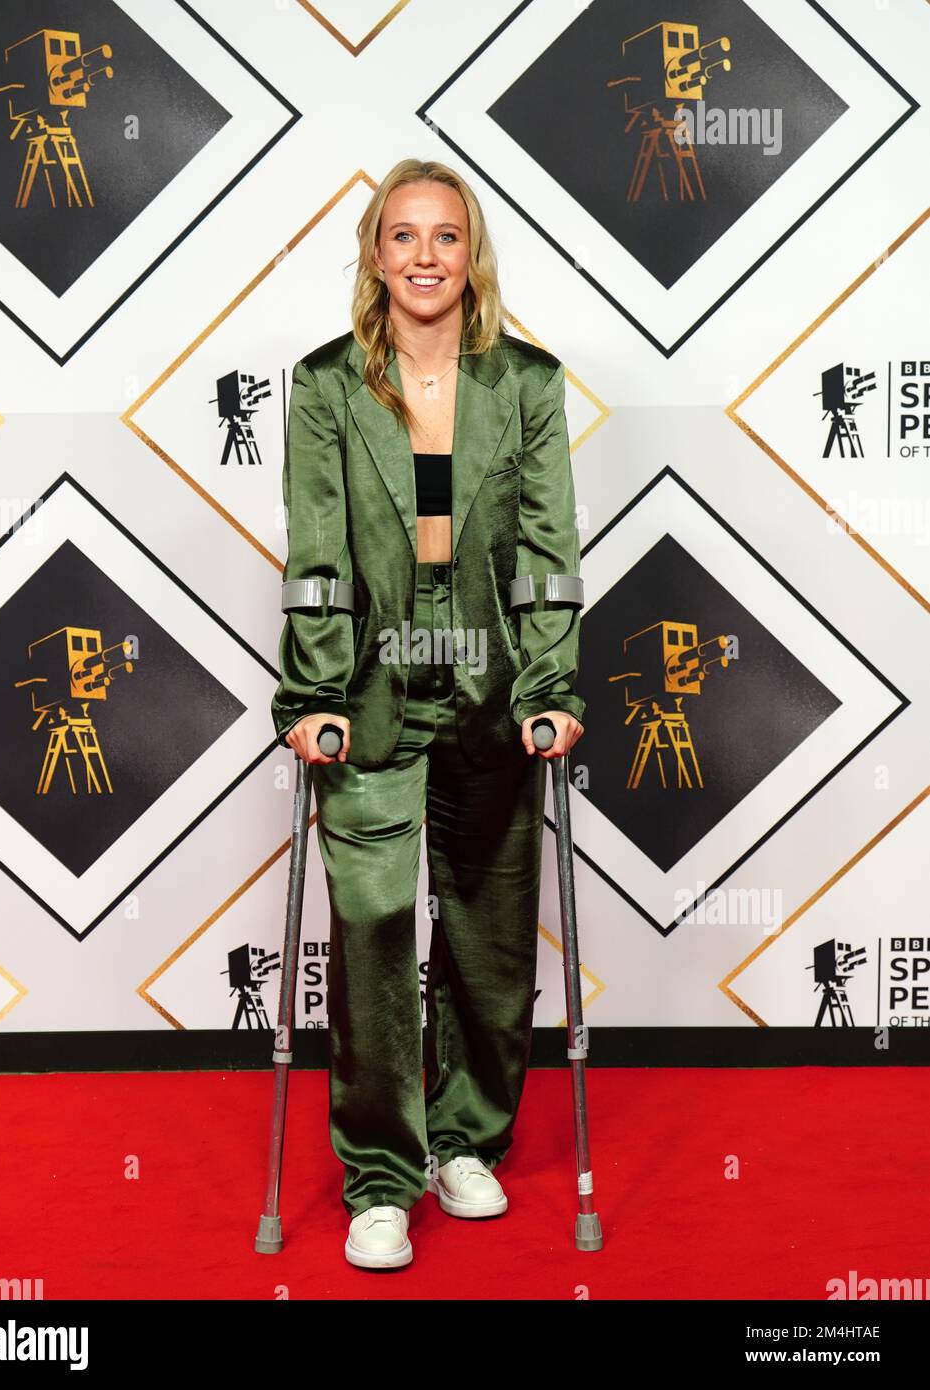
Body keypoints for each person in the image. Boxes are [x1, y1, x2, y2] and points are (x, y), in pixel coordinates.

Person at [271, 158, 585, 1269]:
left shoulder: (529, 385)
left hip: (489, 682)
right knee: (369, 931)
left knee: (493, 936)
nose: (423, 256)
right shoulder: (325, 386)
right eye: (401, 236)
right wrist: (311, 694)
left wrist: (548, 686)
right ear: (374, 254)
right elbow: (318, 559)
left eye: (444, 237)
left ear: (472, 254)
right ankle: (380, 1175)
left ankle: (466, 1140)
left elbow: (548, 559)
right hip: (370, 683)